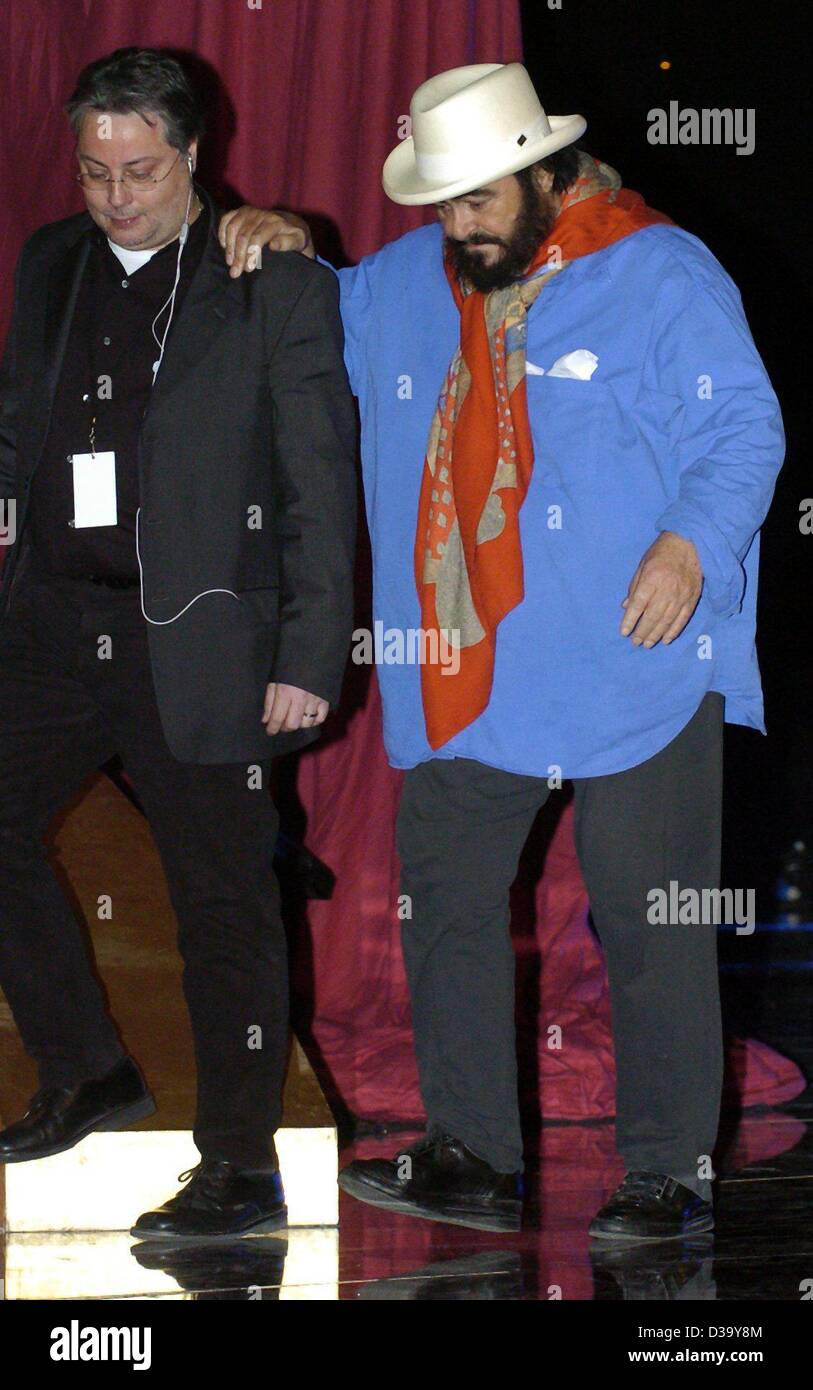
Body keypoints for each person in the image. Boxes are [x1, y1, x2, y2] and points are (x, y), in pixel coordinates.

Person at [221, 60, 784, 1239]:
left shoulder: (657, 269)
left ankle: (666, 1170)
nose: (459, 224)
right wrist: (281, 246)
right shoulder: (415, 281)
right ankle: (473, 1149)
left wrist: (690, 544)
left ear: (545, 170)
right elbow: (324, 312)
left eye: (480, 199)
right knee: (447, 891)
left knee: (650, 913)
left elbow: (743, 423)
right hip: (480, 665)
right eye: (443, 203)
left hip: (638, 649)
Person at [0, 47, 357, 1241]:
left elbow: (319, 482)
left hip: (195, 640)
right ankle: (89, 1064)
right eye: (95, 170)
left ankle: (243, 1167)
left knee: (222, 903)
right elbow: (22, 425)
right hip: (55, 621)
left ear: (196, 154)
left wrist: (309, 656)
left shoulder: (273, 278)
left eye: (141, 171)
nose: (114, 197)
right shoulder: (50, 259)